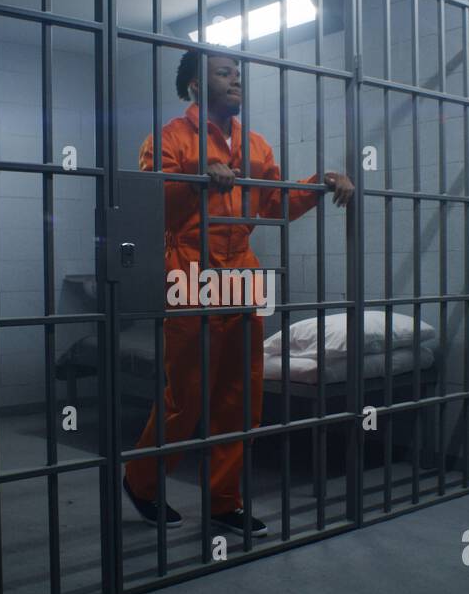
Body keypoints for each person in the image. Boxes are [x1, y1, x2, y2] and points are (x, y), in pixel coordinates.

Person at [122, 51, 355, 537]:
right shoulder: (167, 139)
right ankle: (140, 481)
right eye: (224, 73)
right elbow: (151, 206)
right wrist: (198, 182)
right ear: (193, 85)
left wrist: (320, 184)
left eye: (238, 74)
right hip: (188, 267)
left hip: (243, 273)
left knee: (240, 397)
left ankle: (224, 501)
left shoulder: (255, 145)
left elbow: (275, 203)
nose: (236, 80)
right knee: (185, 396)